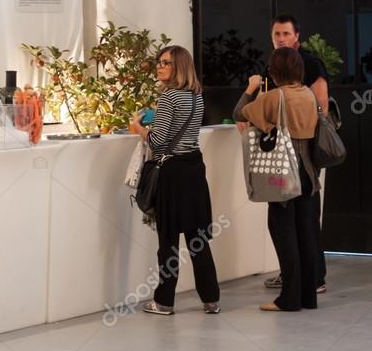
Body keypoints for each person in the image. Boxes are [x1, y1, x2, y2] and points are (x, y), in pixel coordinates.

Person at [130, 45, 220, 316]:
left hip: (173, 174)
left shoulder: (169, 97)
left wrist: (138, 127)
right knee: (198, 239)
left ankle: (165, 300)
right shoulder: (197, 97)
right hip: (194, 169)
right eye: (159, 62)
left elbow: (158, 142)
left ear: (179, 66)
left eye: (166, 63)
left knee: (168, 239)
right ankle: (211, 299)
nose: (159, 66)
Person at [234, 47, 320, 311]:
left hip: (281, 176)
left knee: (284, 235)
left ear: (274, 70)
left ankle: (289, 299)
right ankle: (308, 296)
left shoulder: (276, 96)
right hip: (308, 174)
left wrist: (251, 88)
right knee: (306, 235)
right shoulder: (308, 94)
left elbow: (239, 112)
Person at [254, 15, 329, 294]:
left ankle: (315, 277)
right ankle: (293, 276)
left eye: (286, 33)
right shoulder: (271, 66)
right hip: (281, 156)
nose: (281, 38)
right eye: (277, 34)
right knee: (289, 221)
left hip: (304, 153)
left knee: (305, 219)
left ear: (297, 35)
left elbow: (322, 105)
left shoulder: (309, 63)